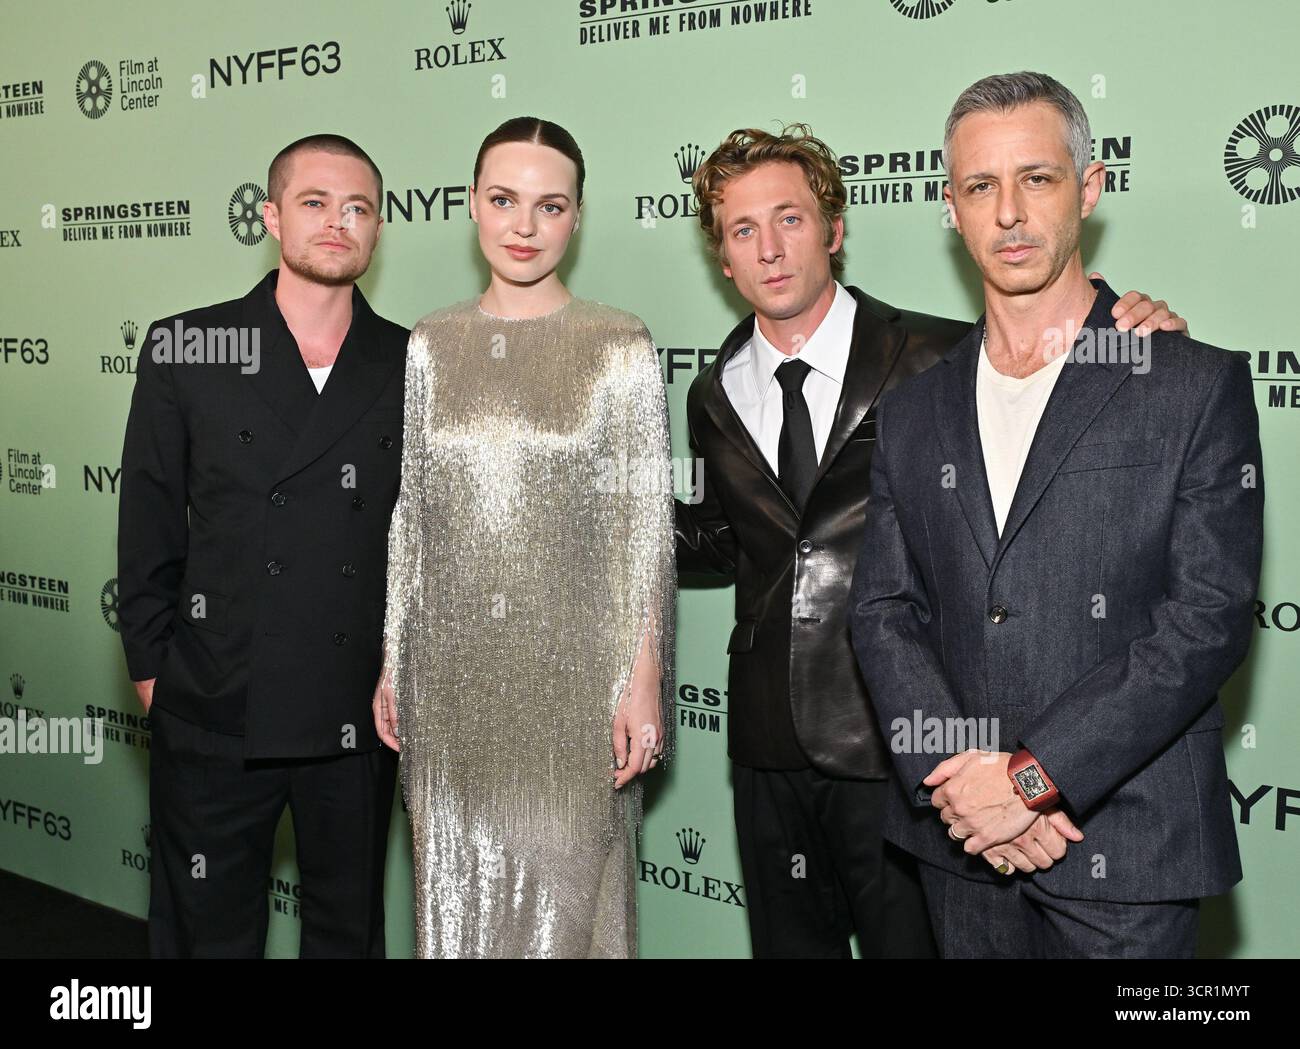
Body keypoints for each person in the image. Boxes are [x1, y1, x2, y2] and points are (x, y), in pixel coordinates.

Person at [674, 123, 1188, 958]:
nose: (769, 248)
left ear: (835, 230)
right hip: (768, 741)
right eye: (742, 231)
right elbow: (716, 534)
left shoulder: (940, 355)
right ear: (722, 258)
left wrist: (1136, 329)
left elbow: (1057, 385)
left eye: (791, 219)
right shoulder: (711, 390)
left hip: (907, 745)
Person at [849, 71, 1262, 958]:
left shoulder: (1189, 382)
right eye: (979, 186)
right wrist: (968, 788)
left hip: (1129, 852)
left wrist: (1033, 781)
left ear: (1090, 186)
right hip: (961, 850)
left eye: (1036, 178)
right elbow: (885, 613)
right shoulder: (915, 410)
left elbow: (1207, 621)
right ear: (950, 209)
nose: (1008, 213)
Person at [373, 116, 675, 959]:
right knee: (456, 900)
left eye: (550, 205)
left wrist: (642, 672)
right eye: (504, 200)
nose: (524, 226)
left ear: (577, 217)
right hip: (450, 680)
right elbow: (413, 513)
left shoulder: (617, 342)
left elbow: (641, 521)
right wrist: (395, 654)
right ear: (471, 204)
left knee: (568, 915)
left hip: (576, 685)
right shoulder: (430, 343)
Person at [117, 134, 407, 957]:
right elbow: (147, 527)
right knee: (206, 934)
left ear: (378, 228)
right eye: (315, 203)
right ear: (273, 217)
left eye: (358, 208)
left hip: (355, 715)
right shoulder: (189, 346)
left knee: (347, 934)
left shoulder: (411, 359)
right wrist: (155, 678)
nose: (337, 223)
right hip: (214, 707)